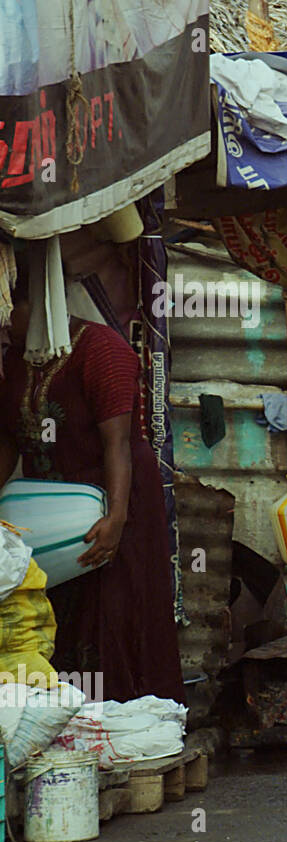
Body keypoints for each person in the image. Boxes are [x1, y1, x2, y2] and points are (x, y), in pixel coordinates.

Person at [0, 289, 184, 704]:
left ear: (43, 303)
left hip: (118, 496)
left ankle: (127, 714)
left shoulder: (102, 350)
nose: (4, 322)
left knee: (115, 610)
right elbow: (8, 439)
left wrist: (116, 518)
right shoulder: (13, 359)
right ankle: (70, 714)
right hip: (51, 511)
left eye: (12, 309)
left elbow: (117, 443)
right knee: (57, 608)